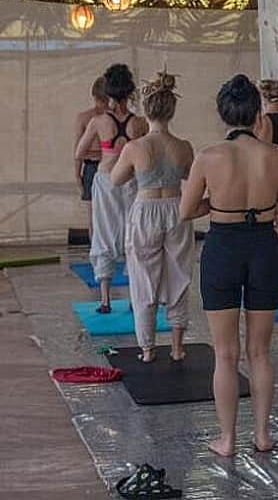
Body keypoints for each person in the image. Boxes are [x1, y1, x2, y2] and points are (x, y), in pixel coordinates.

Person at [180, 75, 278, 457]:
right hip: (263, 246)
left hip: (223, 248)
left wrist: (215, 204)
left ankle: (227, 439)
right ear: (257, 113)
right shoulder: (276, 155)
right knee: (260, 352)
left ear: (222, 114)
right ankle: (262, 435)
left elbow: (185, 211)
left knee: (225, 353)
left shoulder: (209, 156)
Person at [110, 72, 193, 363]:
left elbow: (116, 179)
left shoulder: (135, 147)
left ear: (146, 110)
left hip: (145, 209)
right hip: (176, 208)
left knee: (143, 278)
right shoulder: (183, 146)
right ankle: (178, 346)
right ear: (172, 110)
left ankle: (147, 349)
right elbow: (188, 176)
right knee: (179, 275)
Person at [74, 64, 148, 312]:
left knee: (104, 234)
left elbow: (79, 151)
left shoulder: (98, 122)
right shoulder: (139, 123)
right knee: (133, 234)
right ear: (129, 91)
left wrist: (104, 151)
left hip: (107, 179)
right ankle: (132, 297)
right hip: (131, 180)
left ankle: (105, 300)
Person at [74, 77, 108, 235]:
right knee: (93, 215)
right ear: (94, 98)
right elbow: (78, 149)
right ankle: (94, 250)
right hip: (91, 166)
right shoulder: (85, 118)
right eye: (100, 100)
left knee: (109, 212)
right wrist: (77, 174)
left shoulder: (113, 119)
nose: (103, 105)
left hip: (108, 166)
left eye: (105, 100)